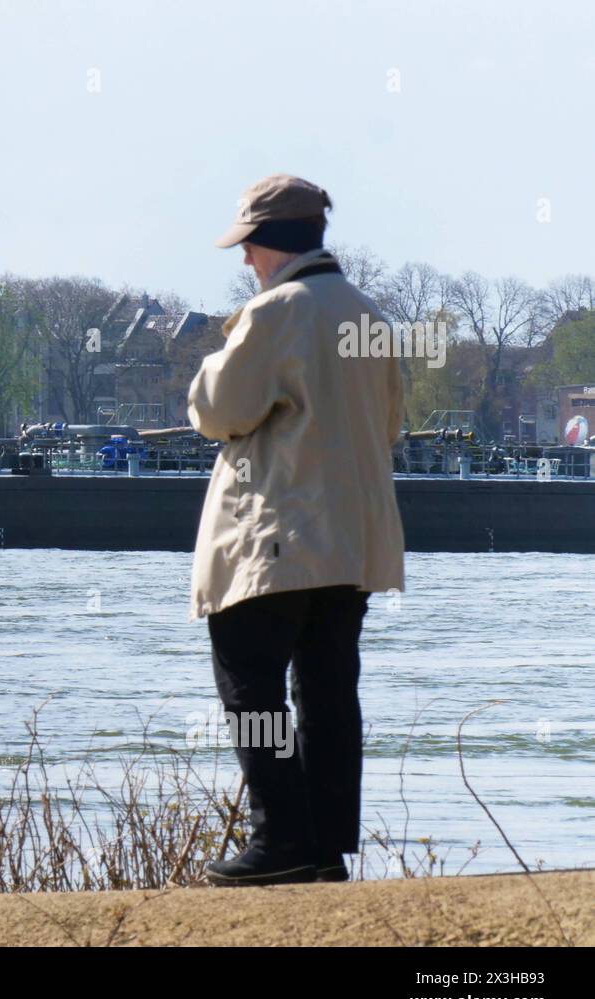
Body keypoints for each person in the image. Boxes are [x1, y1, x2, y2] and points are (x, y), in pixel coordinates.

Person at [187, 174, 405, 886]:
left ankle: (278, 840)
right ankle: (324, 847)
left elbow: (221, 410)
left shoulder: (277, 311)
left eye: (247, 247)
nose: (245, 261)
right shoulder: (367, 314)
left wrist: (216, 359)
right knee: (329, 690)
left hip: (274, 541)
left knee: (251, 687)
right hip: (353, 542)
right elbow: (389, 425)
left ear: (267, 243)